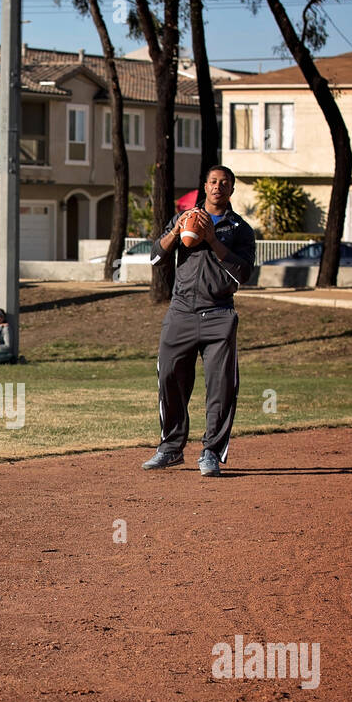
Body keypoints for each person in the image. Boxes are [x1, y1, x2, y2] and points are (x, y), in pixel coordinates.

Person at [142, 165, 256, 476]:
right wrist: (177, 231)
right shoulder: (184, 218)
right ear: (205, 186)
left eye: (225, 183)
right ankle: (170, 447)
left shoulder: (240, 229)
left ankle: (211, 452)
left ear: (231, 190)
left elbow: (244, 274)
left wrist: (213, 240)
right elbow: (154, 257)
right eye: (213, 181)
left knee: (220, 387)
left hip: (219, 314)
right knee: (169, 377)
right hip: (180, 313)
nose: (218, 186)